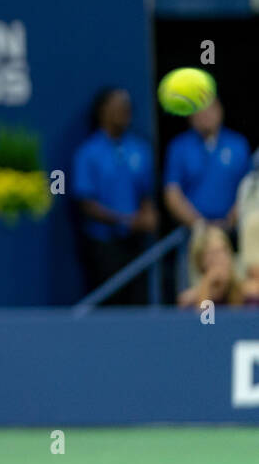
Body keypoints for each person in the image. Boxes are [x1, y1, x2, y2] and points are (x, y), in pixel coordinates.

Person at [72, 87, 158, 304]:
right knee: (109, 303)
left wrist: (147, 215)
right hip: (103, 245)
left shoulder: (140, 149)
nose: (125, 112)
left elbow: (145, 193)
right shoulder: (88, 152)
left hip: (137, 244)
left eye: (127, 107)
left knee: (140, 301)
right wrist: (127, 220)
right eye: (118, 107)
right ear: (103, 111)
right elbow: (85, 203)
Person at [164, 97, 252, 235]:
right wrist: (199, 224)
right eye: (199, 111)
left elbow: (250, 188)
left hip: (233, 230)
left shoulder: (238, 144)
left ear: (220, 111)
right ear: (190, 116)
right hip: (191, 232)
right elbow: (172, 192)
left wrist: (230, 222)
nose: (205, 115)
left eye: (210, 109)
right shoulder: (179, 146)